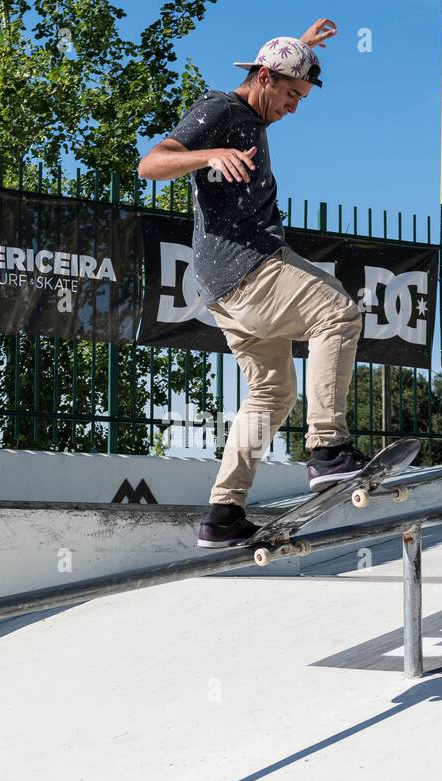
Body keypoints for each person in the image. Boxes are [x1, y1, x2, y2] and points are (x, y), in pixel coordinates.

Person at [137, 21, 371, 549]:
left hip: (223, 286)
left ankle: (223, 513)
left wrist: (304, 50)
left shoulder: (259, 99)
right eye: (290, 95)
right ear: (262, 78)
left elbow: (283, 63)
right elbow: (150, 163)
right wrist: (207, 155)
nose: (293, 108)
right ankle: (328, 450)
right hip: (249, 265)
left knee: (271, 391)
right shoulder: (222, 109)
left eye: (301, 98)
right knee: (338, 312)